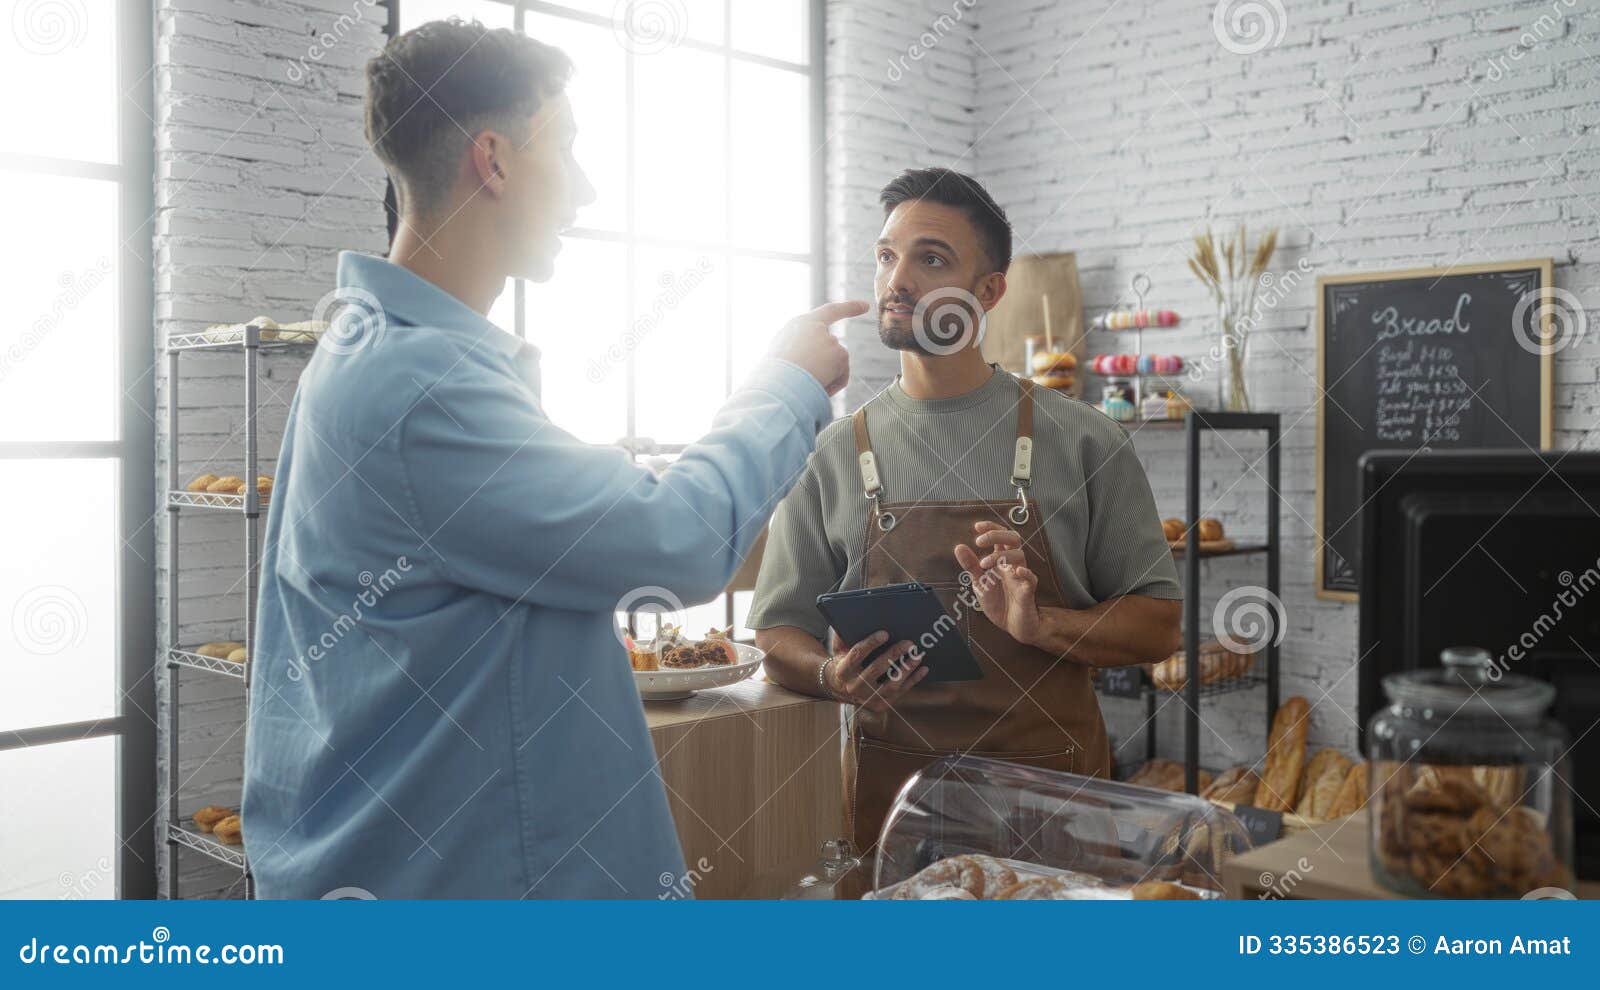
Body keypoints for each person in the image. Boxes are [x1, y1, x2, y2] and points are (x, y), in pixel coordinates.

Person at [241, 20, 862, 899]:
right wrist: (791, 383)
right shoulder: (418, 386)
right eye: (564, 149)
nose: (585, 189)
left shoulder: (380, 354)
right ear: (490, 161)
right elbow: (672, 539)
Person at [749, 167, 1183, 853]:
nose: (898, 279)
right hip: (894, 815)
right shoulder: (831, 453)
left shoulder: (1084, 439)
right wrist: (831, 675)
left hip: (1053, 810)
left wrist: (1041, 625)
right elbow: (776, 632)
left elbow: (1159, 628)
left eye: (931, 258)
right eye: (887, 255)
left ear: (989, 291)